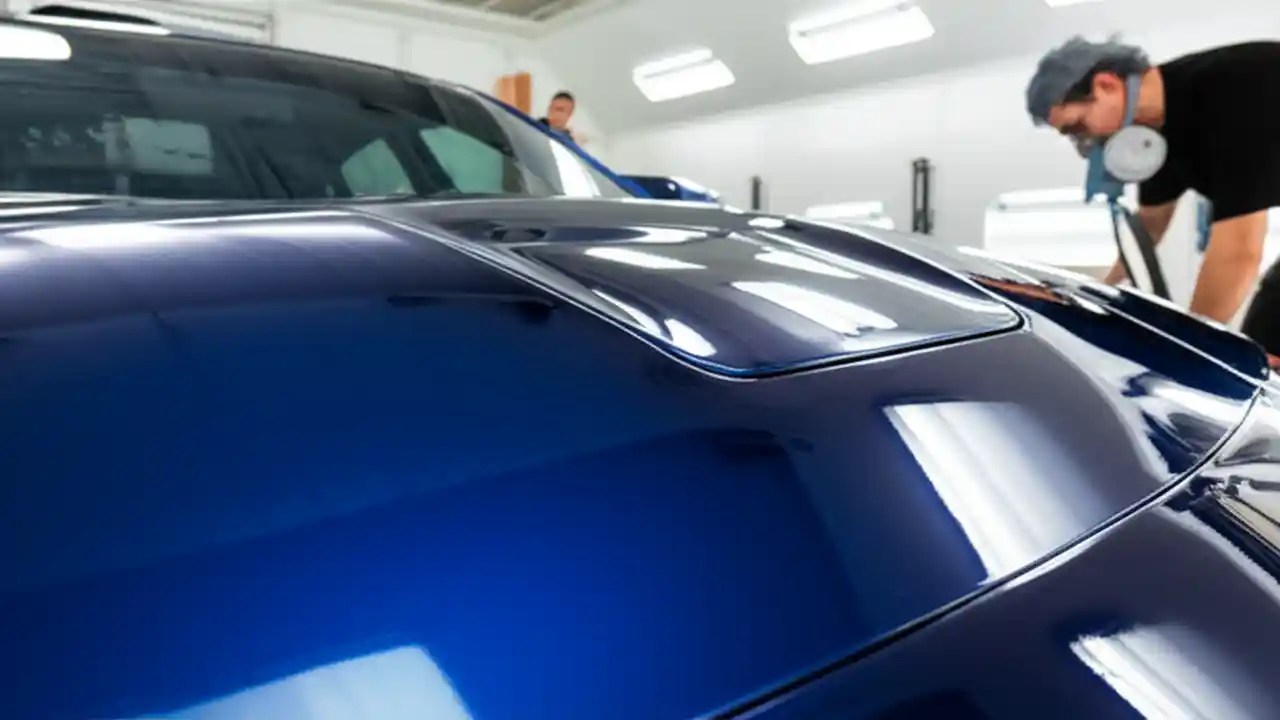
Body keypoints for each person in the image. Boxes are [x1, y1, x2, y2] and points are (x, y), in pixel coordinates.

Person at [1025, 36, 1280, 357]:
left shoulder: (1226, 94)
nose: (1084, 143)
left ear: (1106, 85)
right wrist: (1100, 291)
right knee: (1267, 341)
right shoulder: (1156, 130)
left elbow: (1238, 252)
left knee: (1265, 348)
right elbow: (1148, 227)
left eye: (1078, 127)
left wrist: (1189, 348)